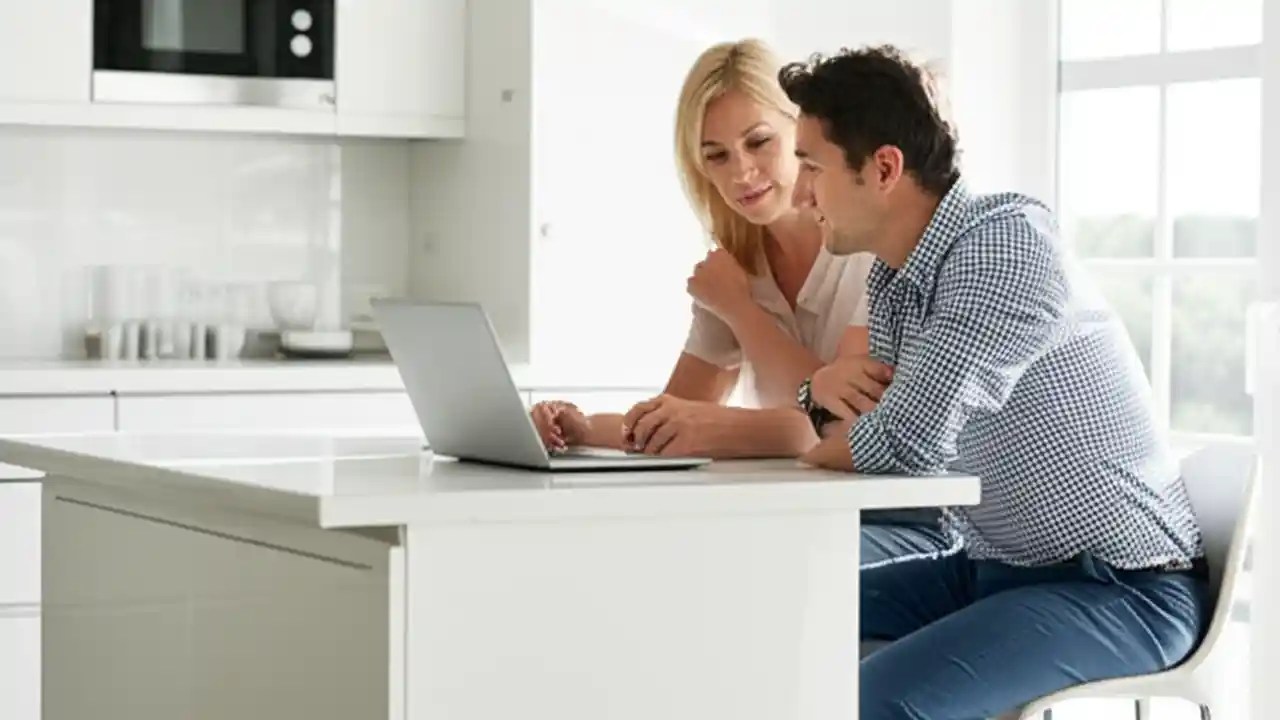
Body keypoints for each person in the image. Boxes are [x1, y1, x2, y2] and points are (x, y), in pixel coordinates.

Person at [781, 45, 1208, 719]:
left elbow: (903, 445)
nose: (798, 193)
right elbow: (859, 434)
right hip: (988, 570)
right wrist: (824, 402)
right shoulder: (896, 277)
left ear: (884, 168)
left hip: (1121, 590)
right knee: (769, 617)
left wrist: (838, 428)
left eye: (810, 165)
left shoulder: (1003, 245)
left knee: (873, 703)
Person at [529, 38, 880, 460]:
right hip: (792, 499)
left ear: (801, 130)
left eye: (758, 142)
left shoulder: (866, 253)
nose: (741, 173)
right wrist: (579, 428)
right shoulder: (735, 267)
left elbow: (836, 421)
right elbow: (673, 414)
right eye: (717, 156)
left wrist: (740, 309)